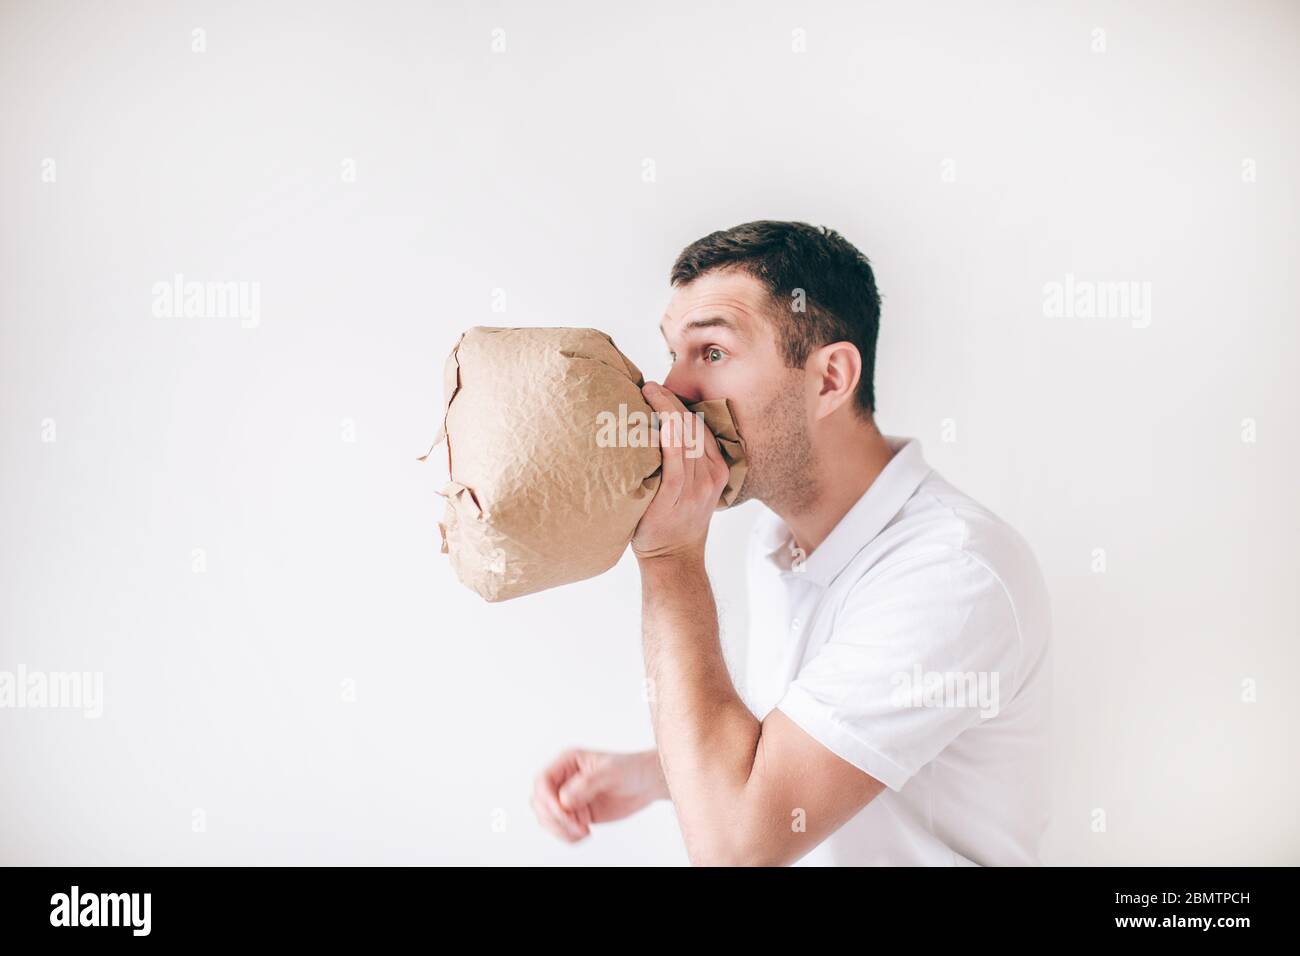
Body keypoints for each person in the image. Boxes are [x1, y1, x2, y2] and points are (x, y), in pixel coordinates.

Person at [531, 221, 1051, 866]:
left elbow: (734, 847)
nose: (671, 390)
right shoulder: (777, 538)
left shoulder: (950, 570)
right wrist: (649, 774)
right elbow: (797, 758)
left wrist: (669, 559)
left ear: (830, 378)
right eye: (673, 353)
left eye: (713, 352)